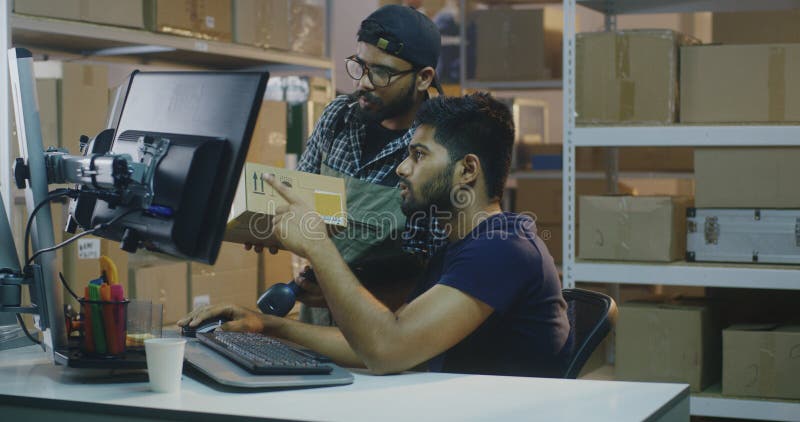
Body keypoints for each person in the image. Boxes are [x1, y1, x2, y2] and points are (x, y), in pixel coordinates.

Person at [181, 94, 572, 377]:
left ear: (467, 170)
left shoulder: (502, 249)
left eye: (418, 155)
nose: (403, 168)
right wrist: (267, 325)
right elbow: (373, 343)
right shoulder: (461, 246)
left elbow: (388, 349)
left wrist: (317, 244)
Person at [249, 5, 448, 324]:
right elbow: (300, 201)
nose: (365, 83)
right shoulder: (338, 117)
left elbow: (438, 280)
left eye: (381, 72)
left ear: (423, 78)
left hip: (390, 334)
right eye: (360, 65)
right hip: (317, 327)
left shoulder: (438, 147)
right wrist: (267, 227)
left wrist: (341, 292)